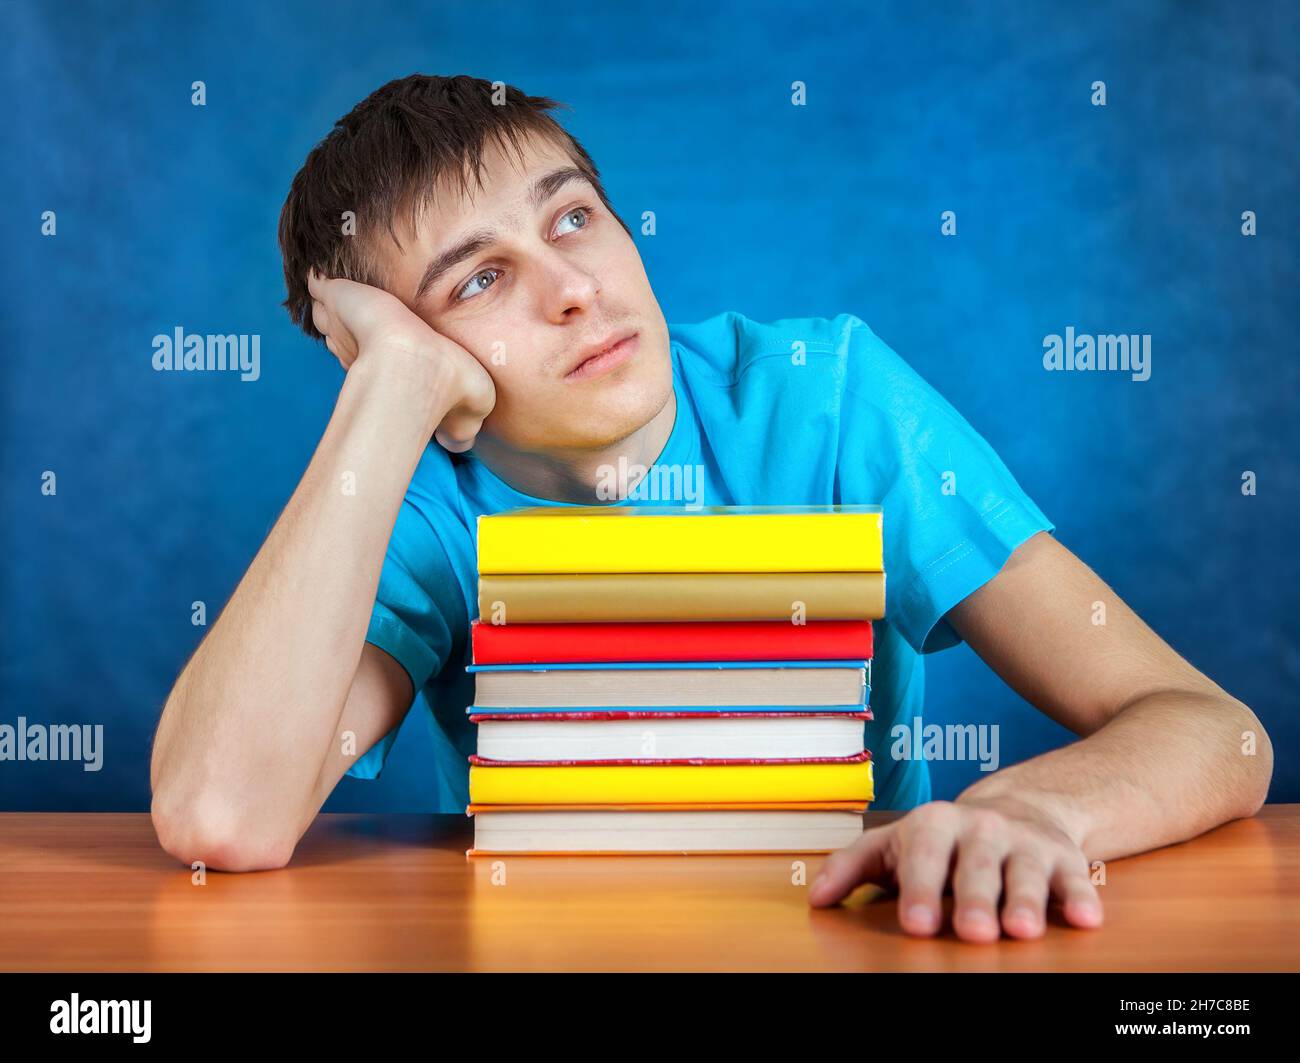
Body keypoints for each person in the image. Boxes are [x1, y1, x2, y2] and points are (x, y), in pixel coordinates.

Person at [149, 74, 1272, 942]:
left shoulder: (831, 403)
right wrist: (383, 397)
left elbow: (1209, 729)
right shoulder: (416, 514)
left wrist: (1036, 811)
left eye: (573, 219)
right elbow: (222, 816)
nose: (573, 288)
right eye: (477, 281)